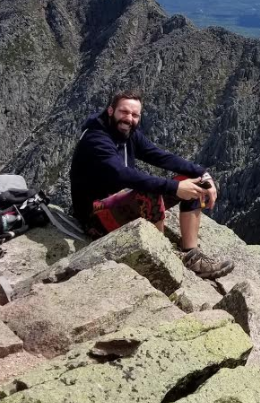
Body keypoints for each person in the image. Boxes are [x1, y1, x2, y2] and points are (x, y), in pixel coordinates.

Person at [69, 88, 233, 280]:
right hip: (95, 216)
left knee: (196, 183)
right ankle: (162, 255)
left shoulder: (128, 133)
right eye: (124, 112)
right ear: (110, 110)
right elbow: (121, 174)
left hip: (119, 203)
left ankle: (191, 254)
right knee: (150, 192)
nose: (129, 118)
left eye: (134, 114)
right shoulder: (96, 139)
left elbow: (159, 156)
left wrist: (202, 174)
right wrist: (174, 188)